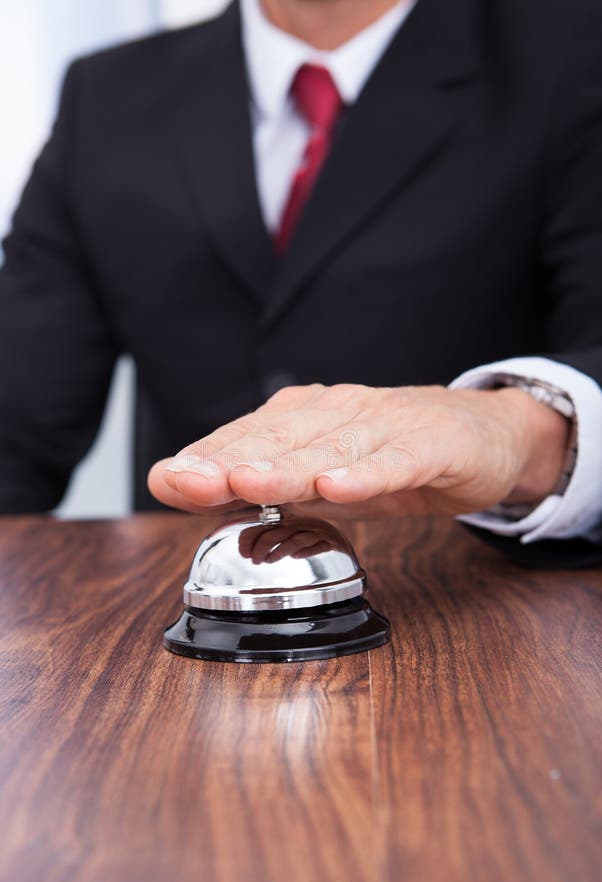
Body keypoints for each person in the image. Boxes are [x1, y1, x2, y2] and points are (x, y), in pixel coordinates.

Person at [1, 0, 601, 566]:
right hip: (180, 623)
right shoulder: (108, 94)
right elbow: (16, 420)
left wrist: (516, 433)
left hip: (492, 614)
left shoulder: (574, 52)